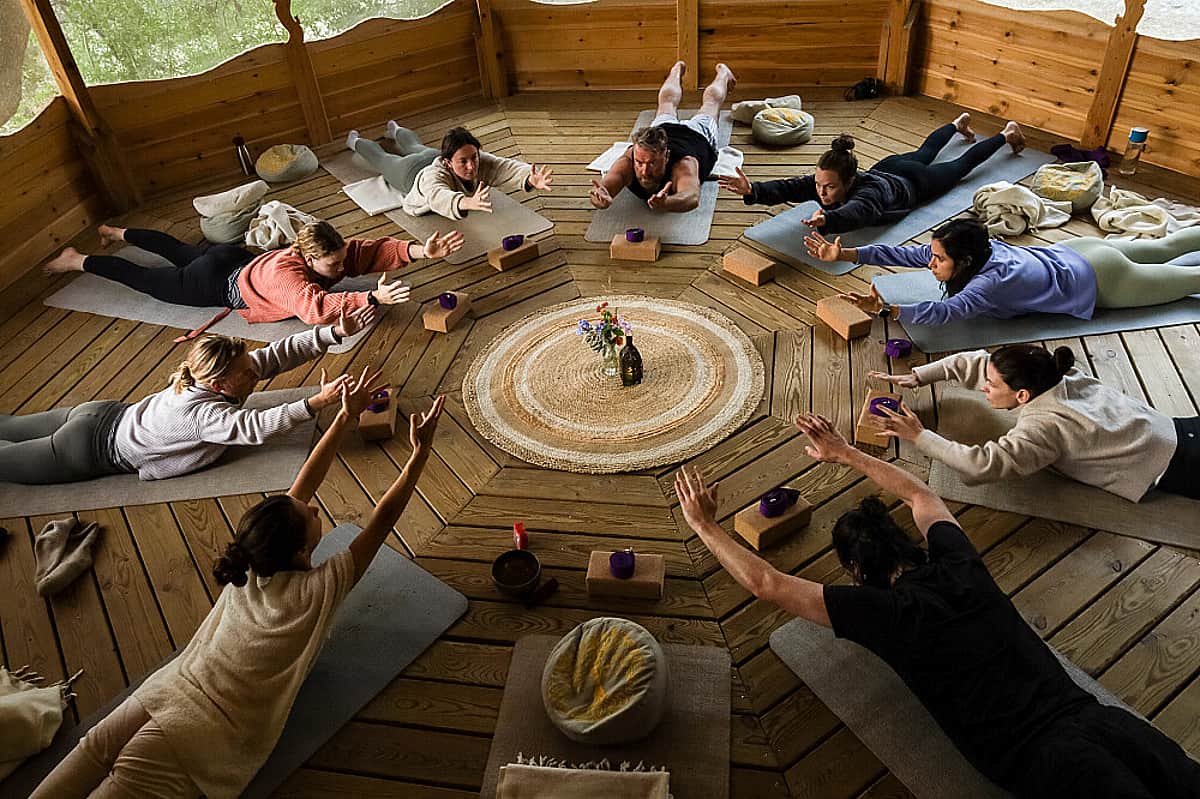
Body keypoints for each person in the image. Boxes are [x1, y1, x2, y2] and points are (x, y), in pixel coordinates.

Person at [674, 416, 1200, 799]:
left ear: (859, 574)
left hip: (1042, 759)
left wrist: (705, 526)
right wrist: (843, 453)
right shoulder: (957, 560)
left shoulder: (884, 616)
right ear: (904, 544)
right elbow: (921, 495)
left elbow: (767, 582)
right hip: (1096, 718)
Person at [30, 384, 446, 799]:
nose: (315, 508)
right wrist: (418, 457)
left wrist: (343, 418)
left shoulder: (249, 561)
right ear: (301, 550)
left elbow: (303, 488)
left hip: (168, 688)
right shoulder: (317, 592)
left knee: (93, 752)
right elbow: (381, 522)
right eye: (311, 514)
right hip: (200, 735)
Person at [0, 307, 375, 484]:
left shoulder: (218, 374)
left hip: (99, 414)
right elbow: (255, 426)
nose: (254, 373)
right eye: (246, 373)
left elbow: (276, 355)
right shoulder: (199, 414)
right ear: (218, 386)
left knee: (11, 425)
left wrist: (332, 334)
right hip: (86, 450)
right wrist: (316, 402)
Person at [869, 344, 1199, 503]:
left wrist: (920, 436)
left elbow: (984, 465)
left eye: (992, 385)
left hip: (1177, 465)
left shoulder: (1043, 427)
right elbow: (977, 363)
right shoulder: (1055, 370)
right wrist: (919, 376)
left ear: (1023, 395)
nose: (984, 386)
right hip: (1175, 428)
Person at [44, 219, 464, 325]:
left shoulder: (323, 253)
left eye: (339, 260)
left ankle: (113, 230)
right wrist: (369, 297)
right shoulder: (289, 275)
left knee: (175, 247)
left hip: (234, 258)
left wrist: (418, 249)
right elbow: (314, 309)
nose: (342, 267)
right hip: (216, 282)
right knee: (148, 280)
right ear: (309, 259)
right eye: (333, 265)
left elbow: (368, 252)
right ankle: (76, 259)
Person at [804, 219, 1200, 326]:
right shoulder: (976, 249)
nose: (930, 263)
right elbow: (905, 254)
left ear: (964, 264)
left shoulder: (986, 285)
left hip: (1103, 280)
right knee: (1168, 247)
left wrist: (888, 310)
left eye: (938, 260)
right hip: (1083, 249)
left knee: (1190, 282)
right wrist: (848, 254)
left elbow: (946, 313)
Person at [719, 113, 1024, 233]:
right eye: (819, 185)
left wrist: (828, 218)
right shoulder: (828, 181)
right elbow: (791, 187)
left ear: (850, 181)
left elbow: (858, 213)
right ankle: (956, 125)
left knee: (960, 166)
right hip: (889, 167)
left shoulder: (869, 194)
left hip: (913, 182)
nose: (821, 193)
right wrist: (753, 190)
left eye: (828, 188)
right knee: (925, 152)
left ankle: (1006, 134)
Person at [588, 61, 737, 214]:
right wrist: (600, 200)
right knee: (666, 102)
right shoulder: (627, 162)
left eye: (652, 163)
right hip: (664, 128)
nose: (644, 171)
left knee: (711, 103)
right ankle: (676, 70)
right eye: (639, 162)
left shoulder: (683, 164)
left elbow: (691, 197)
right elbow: (603, 191)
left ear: (666, 156)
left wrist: (668, 203)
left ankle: (723, 73)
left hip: (696, 135)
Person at [345, 123, 552, 220]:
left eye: (474, 158)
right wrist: (466, 202)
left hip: (430, 154)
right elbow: (438, 195)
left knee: (414, 145)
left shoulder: (471, 158)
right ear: (448, 162)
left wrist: (529, 177)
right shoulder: (433, 176)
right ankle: (354, 142)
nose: (471, 166)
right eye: (464, 161)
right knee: (384, 159)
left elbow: (503, 166)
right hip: (410, 172)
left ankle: (395, 129)